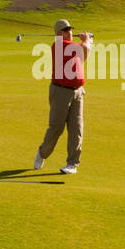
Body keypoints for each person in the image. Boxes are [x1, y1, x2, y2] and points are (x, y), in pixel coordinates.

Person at [34, 19, 93, 175]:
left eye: (70, 29)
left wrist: (87, 43)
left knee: (76, 128)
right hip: (60, 92)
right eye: (67, 30)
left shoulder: (72, 47)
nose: (70, 32)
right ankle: (42, 153)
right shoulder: (59, 46)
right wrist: (87, 40)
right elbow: (84, 48)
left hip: (78, 92)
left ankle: (72, 164)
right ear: (60, 33)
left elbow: (84, 55)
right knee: (56, 128)